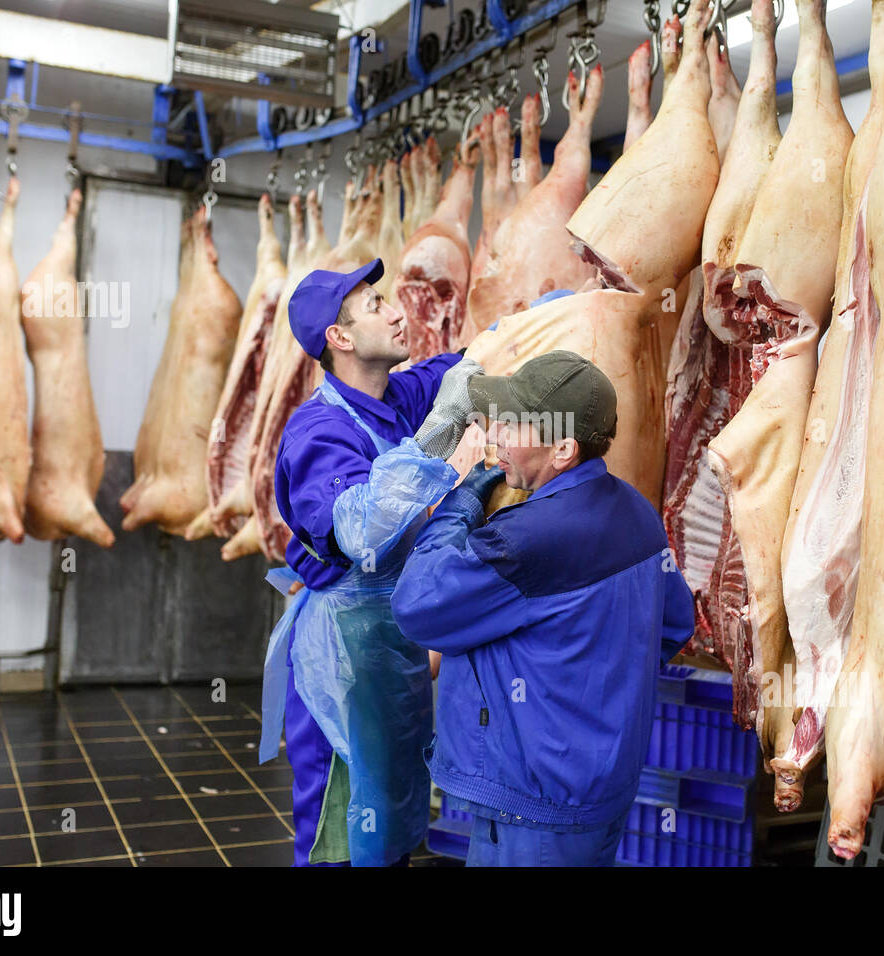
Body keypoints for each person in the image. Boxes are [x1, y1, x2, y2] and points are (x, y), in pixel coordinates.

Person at [391, 350, 696, 866]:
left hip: (532, 806)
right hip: (603, 791)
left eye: (514, 425)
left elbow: (417, 605)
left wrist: (460, 506)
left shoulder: (528, 539)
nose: (497, 435)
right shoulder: (637, 514)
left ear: (563, 449)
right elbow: (673, 625)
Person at [255, 257, 476, 867]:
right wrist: (443, 430)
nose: (398, 310)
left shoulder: (396, 397)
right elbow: (361, 529)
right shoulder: (318, 433)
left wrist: (541, 317)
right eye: (377, 305)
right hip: (341, 665)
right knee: (344, 839)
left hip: (392, 654)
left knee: (396, 826)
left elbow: (465, 365)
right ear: (340, 338)